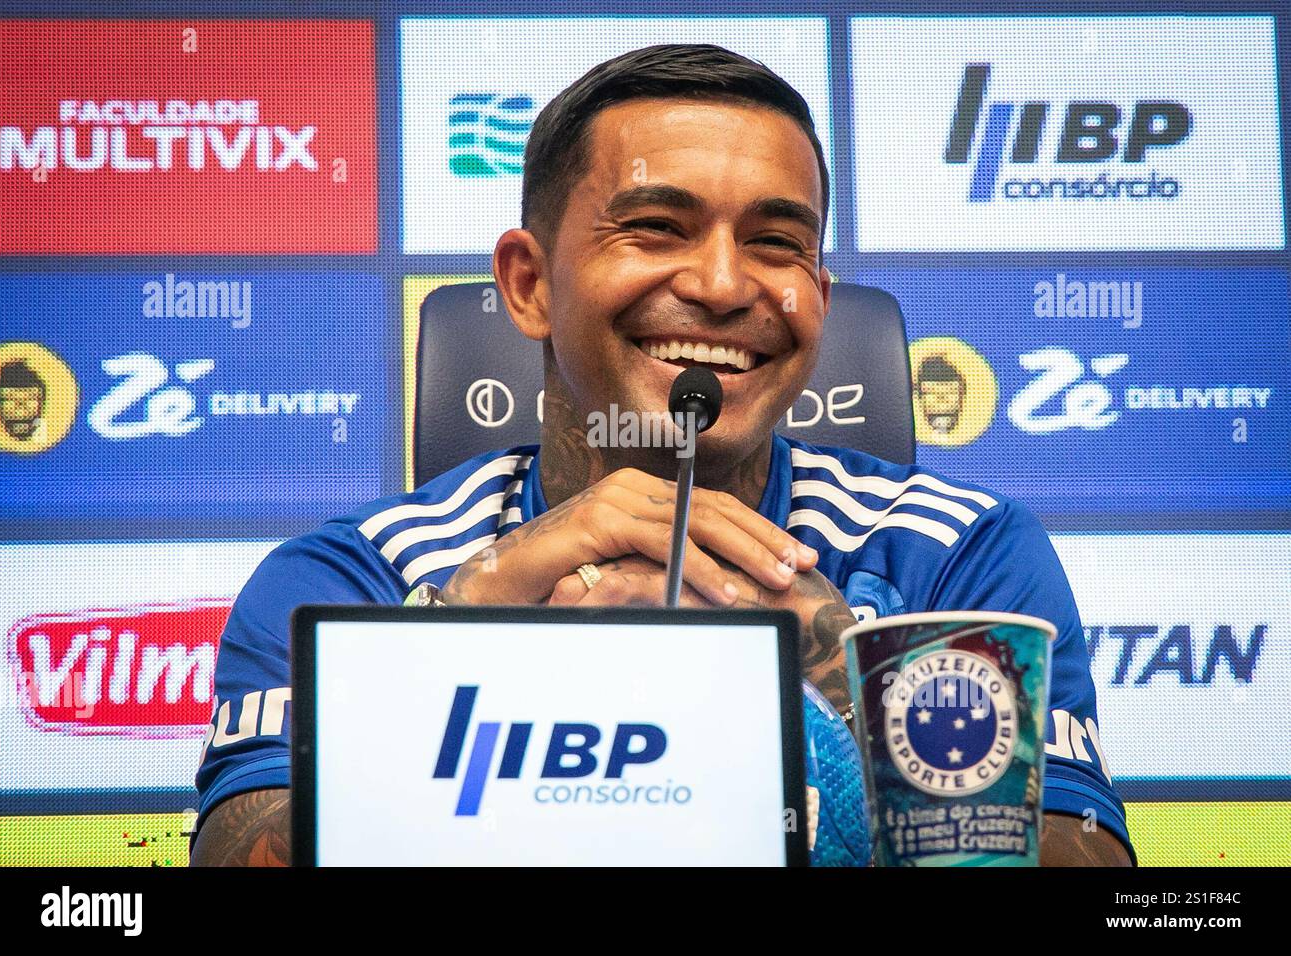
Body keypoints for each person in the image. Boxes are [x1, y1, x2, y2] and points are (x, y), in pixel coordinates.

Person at [191, 44, 1133, 866]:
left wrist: (852, 677)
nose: (724, 285)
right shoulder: (353, 579)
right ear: (528, 286)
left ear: (820, 298)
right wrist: (457, 631)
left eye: (775, 243)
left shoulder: (958, 558)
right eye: (655, 229)